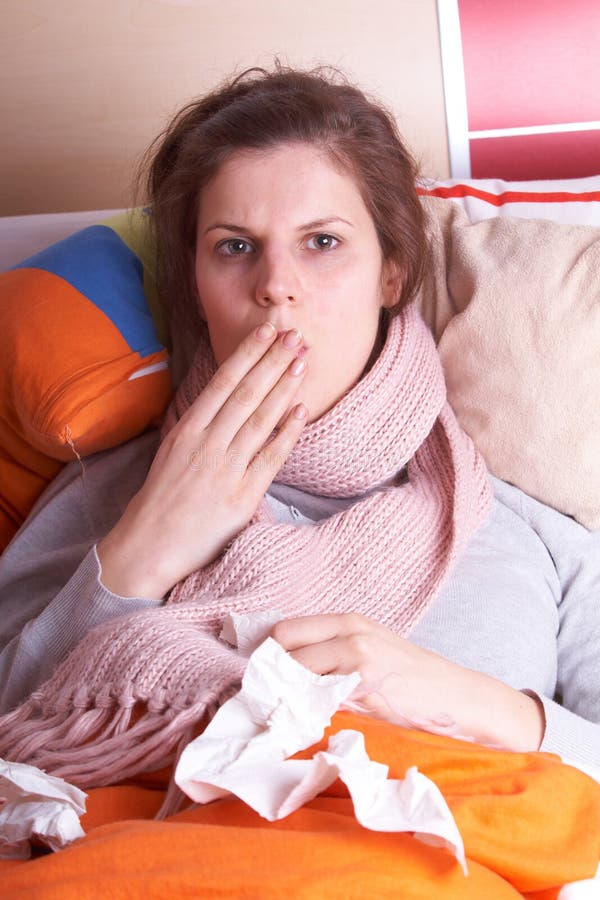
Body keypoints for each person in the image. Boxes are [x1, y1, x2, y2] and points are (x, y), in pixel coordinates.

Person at [1, 66, 599, 787]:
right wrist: (139, 556)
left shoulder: (536, 534)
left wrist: (477, 706)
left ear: (393, 273)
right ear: (194, 285)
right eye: (234, 246)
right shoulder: (109, 495)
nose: (275, 284)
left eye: (321, 242)